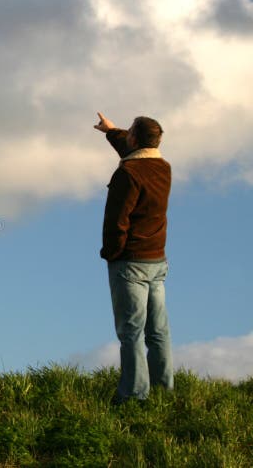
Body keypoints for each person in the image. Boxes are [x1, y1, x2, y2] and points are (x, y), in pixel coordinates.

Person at [93, 112, 173, 403]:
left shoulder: (128, 174)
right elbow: (135, 150)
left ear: (136, 139)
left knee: (131, 331)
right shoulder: (162, 168)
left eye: (129, 133)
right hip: (157, 260)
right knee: (158, 330)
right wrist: (111, 131)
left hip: (130, 262)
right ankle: (164, 389)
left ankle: (134, 395)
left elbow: (117, 220)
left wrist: (112, 253)